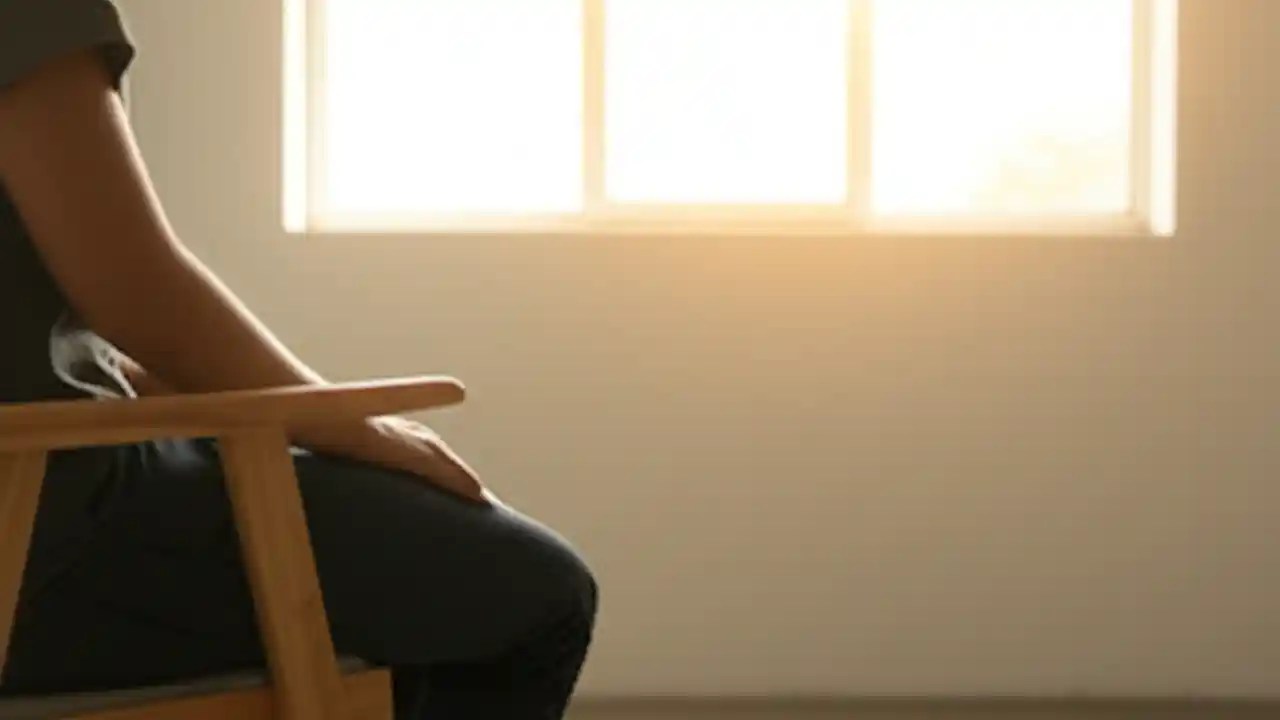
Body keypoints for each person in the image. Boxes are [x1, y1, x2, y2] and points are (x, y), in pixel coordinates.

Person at [0, 1, 598, 717]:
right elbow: (138, 291)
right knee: (535, 596)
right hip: (43, 529)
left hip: (60, 493)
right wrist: (350, 425)